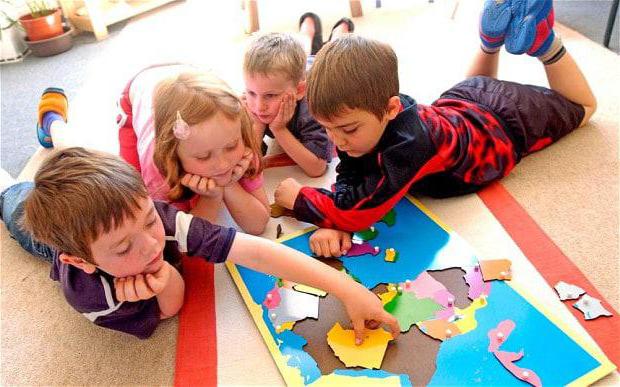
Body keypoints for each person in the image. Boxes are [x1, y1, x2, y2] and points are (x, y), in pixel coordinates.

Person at [273, 0, 596, 258]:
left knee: (583, 107)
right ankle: (490, 42)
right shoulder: (369, 120)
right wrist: (334, 216)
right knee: (476, 85)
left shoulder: (405, 148)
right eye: (328, 130)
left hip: (505, 124)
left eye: (347, 129)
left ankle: (545, 43)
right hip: (465, 97)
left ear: (391, 109)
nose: (338, 142)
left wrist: (302, 199)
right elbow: (353, 174)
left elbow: (360, 212)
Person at [0, 147, 400, 342]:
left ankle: (54, 130)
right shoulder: (89, 292)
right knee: (14, 201)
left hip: (93, 212)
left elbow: (257, 250)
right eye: (124, 249)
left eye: (149, 219)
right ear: (84, 261)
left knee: (64, 171)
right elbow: (169, 310)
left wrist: (347, 287)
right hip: (44, 238)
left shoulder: (163, 222)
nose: (152, 244)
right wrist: (163, 278)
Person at [36, 66, 270, 235]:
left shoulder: (243, 147)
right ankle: (53, 122)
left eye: (230, 147)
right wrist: (211, 199)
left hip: (183, 76)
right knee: (112, 182)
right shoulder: (158, 168)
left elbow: (259, 224)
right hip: (138, 91)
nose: (222, 164)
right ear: (173, 154)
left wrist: (228, 184)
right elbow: (182, 239)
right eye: (202, 156)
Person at [241, 14, 354, 177]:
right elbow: (247, 166)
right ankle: (308, 28)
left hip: (325, 73)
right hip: (300, 70)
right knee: (303, 51)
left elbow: (317, 168)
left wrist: (279, 130)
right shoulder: (252, 98)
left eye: (271, 95)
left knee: (337, 53)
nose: (259, 106)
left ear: (299, 91)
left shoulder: (312, 107)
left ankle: (340, 29)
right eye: (251, 93)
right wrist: (257, 125)